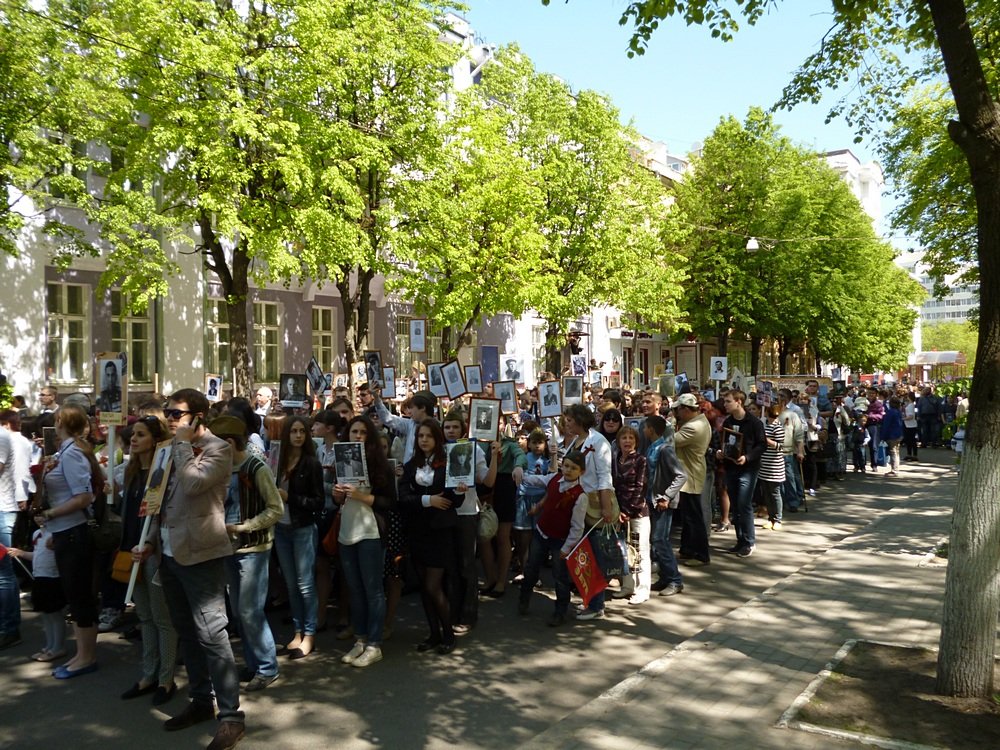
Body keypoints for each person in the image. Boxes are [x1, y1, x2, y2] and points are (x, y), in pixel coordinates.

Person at [158, 388, 244, 749]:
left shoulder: (218, 448)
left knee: (212, 634)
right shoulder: (169, 449)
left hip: (202, 554)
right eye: (167, 413)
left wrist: (180, 443)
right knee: (187, 632)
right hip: (169, 551)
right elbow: (160, 495)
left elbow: (194, 483)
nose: (170, 419)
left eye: (176, 414)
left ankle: (231, 717)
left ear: (198, 417)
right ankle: (200, 700)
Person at [209, 416, 283, 693]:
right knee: (240, 613)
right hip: (228, 548)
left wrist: (244, 527)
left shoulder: (256, 467)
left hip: (254, 548)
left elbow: (275, 509)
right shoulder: (221, 469)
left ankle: (267, 668)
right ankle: (254, 664)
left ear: (229, 443)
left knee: (250, 611)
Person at [34, 404, 100, 675]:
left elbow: (83, 497)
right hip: (64, 531)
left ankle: (87, 657)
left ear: (61, 421)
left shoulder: (72, 453)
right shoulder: (66, 451)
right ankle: (82, 655)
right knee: (75, 596)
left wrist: (51, 513)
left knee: (80, 596)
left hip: (74, 532)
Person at [117, 415, 178, 705]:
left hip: (153, 552)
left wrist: (150, 544)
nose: (134, 439)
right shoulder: (131, 472)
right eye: (133, 434)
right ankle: (149, 674)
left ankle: (166, 679)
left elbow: (158, 516)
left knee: (162, 618)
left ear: (155, 440)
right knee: (145, 617)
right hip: (131, 551)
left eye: (141, 434)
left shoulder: (162, 473)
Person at [334, 416, 397, 668]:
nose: (358, 436)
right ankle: (360, 639)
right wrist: (338, 495)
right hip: (346, 531)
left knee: (373, 590)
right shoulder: (342, 462)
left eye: (362, 432)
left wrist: (361, 496)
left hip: (370, 532)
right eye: (354, 431)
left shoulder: (380, 466)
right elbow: (340, 500)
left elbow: (389, 502)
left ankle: (374, 644)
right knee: (355, 589)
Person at [398, 419, 460, 653]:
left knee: (433, 585)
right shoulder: (410, 465)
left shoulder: (448, 463)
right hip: (417, 531)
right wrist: (428, 500)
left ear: (437, 439)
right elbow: (403, 498)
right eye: (420, 436)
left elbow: (454, 501)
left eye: (429, 436)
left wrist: (460, 491)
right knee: (424, 586)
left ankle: (449, 635)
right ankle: (434, 634)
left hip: (440, 532)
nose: (424, 440)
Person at [273, 415, 324, 660]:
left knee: (305, 584)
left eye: (302, 431)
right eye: (293, 431)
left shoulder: (311, 463)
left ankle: (310, 634)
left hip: (302, 528)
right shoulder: (277, 461)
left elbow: (318, 502)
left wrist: (290, 498)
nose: (298, 436)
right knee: (291, 584)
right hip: (280, 529)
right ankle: (298, 631)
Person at [517, 450, 588, 625]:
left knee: (560, 576)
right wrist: (521, 475)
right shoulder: (554, 478)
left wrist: (567, 548)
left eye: (573, 468)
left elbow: (577, 527)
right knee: (531, 568)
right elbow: (537, 480)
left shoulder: (580, 495)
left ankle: (560, 612)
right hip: (541, 533)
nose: (568, 470)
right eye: (566, 466)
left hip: (560, 540)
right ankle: (524, 599)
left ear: (582, 471)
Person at [561, 404, 615, 620]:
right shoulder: (575, 441)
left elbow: (604, 476)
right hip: (576, 502)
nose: (567, 423)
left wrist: (606, 506)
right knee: (582, 554)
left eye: (570, 420)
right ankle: (588, 599)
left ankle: (596, 605)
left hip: (593, 504)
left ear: (580, 420)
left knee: (594, 555)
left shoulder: (599, 442)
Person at [715, 390, 765, 558]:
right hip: (731, 467)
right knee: (735, 505)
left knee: (744, 504)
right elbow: (724, 441)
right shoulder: (728, 421)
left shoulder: (754, 422)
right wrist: (721, 452)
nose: (725, 404)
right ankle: (740, 540)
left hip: (748, 469)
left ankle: (749, 542)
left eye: (728, 401)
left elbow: (762, 445)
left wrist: (747, 457)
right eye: (724, 401)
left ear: (739, 402)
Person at [7, 526, 66, 661]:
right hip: (39, 576)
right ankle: (50, 645)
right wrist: (21, 553)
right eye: (37, 515)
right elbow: (37, 555)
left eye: (43, 515)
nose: (40, 518)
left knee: (55, 614)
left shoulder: (57, 532)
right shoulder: (37, 534)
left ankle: (58, 647)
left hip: (53, 577)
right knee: (45, 614)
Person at [645, 415, 687, 595]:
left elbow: (681, 475)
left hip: (662, 502)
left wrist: (667, 497)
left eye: (645, 427)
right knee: (656, 541)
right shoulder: (652, 447)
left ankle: (675, 580)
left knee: (660, 540)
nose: (643, 431)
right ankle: (665, 577)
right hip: (652, 500)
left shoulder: (664, 449)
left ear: (651, 429)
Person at [671, 393, 713, 565]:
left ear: (686, 409)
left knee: (694, 517)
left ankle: (701, 555)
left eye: (678, 410)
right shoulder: (698, 422)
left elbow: (671, 441)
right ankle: (687, 549)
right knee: (688, 516)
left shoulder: (694, 427)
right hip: (690, 473)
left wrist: (671, 423)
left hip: (691, 475)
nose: (676, 413)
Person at [612, 426, 649, 604]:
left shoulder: (641, 460)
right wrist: (617, 510)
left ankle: (643, 589)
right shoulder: (616, 459)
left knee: (640, 550)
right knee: (624, 551)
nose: (627, 441)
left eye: (631, 438)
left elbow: (641, 487)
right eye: (624, 438)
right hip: (619, 512)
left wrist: (628, 511)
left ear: (636, 441)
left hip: (637, 512)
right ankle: (628, 586)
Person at [758, 404, 786, 531]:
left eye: (775, 416)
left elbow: (780, 446)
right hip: (764, 466)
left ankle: (778, 519)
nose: (773, 418)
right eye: (771, 415)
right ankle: (770, 518)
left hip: (775, 467)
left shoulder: (778, 428)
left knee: (775, 493)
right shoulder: (764, 426)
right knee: (767, 494)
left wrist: (767, 440)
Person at [881, 397, 905, 478]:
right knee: (896, 452)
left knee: (893, 452)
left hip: (892, 435)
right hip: (898, 434)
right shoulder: (898, 412)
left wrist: (883, 436)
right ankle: (896, 468)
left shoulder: (890, 412)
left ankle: (894, 470)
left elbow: (886, 425)